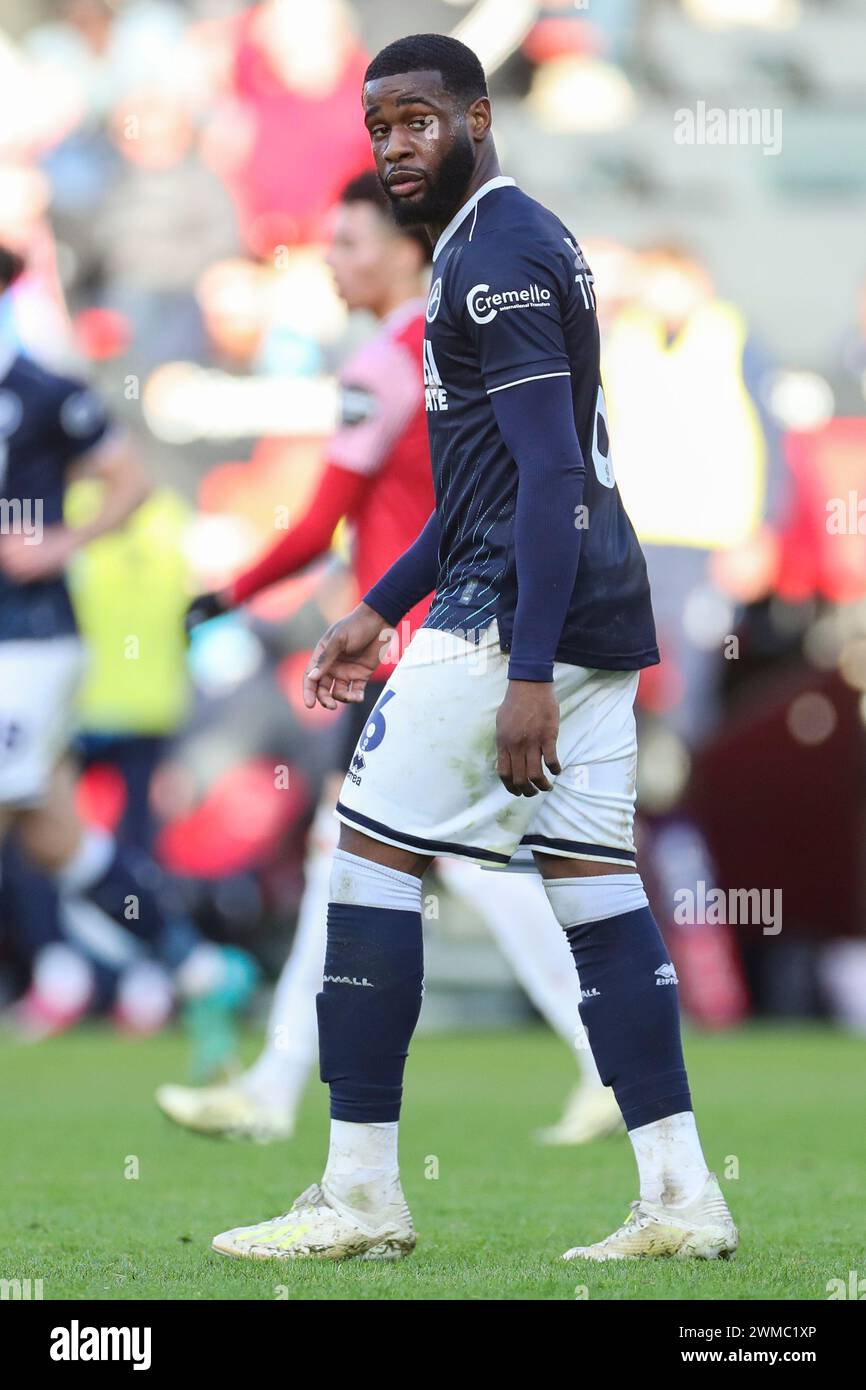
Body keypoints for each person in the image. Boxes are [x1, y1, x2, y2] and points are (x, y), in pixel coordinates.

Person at [210, 33, 738, 1265]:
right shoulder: (504, 238)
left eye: (417, 121)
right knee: (595, 891)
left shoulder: (492, 257)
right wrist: (379, 604)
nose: (395, 146)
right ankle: (680, 1193)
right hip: (588, 607)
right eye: (378, 126)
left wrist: (526, 671)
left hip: (514, 618)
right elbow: (487, 483)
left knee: (364, 858)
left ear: (478, 117)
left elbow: (549, 476)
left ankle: (358, 1193)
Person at [157, 171, 620, 1146]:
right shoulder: (466, 343)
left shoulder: (389, 359)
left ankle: (599, 1059)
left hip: (417, 646)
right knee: (405, 858)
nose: (331, 262)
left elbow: (320, 520)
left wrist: (227, 593)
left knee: (415, 859)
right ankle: (279, 1085)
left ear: (409, 249)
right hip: (461, 632)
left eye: (350, 243)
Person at [0, 245, 255, 1058]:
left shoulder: (44, 392)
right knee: (51, 832)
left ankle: (75, 976)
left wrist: (58, 544)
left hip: (30, 642)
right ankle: (197, 967)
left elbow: (128, 479)